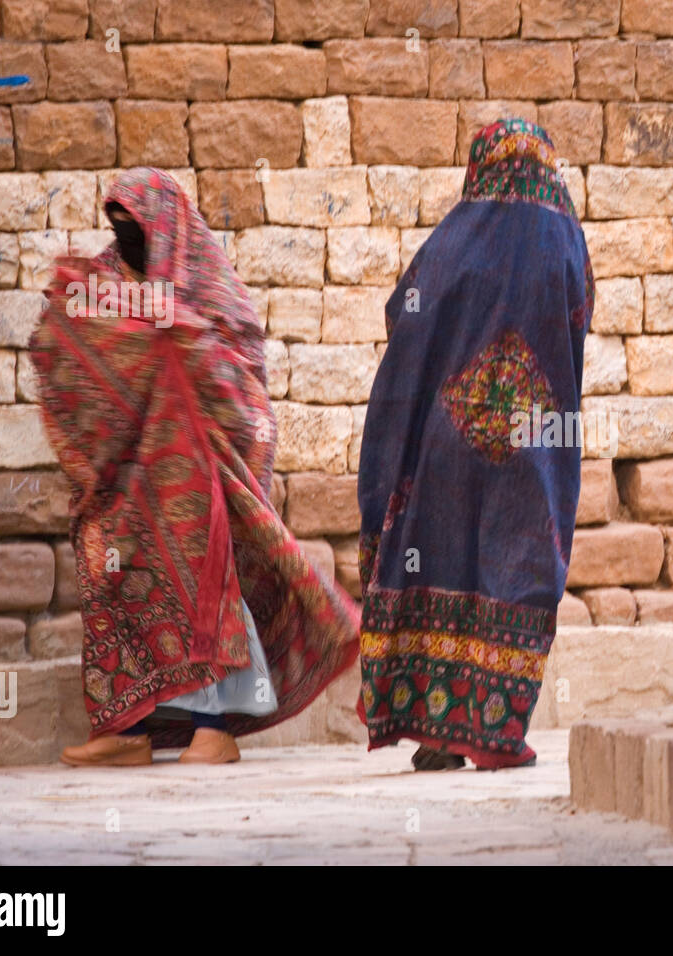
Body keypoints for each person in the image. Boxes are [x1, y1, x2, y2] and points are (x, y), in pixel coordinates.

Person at [30, 167, 360, 767]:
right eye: (116, 223)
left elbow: (239, 380)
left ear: (168, 224)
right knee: (109, 575)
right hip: (125, 478)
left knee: (195, 576)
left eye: (136, 224)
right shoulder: (104, 280)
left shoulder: (205, 286)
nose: (124, 235)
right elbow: (77, 353)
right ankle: (126, 729)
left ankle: (214, 729)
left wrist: (177, 340)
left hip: (197, 474)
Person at [355, 119, 594, 771]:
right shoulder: (564, 234)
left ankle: (439, 730)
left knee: (442, 565)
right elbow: (578, 326)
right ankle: (493, 732)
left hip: (445, 441)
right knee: (517, 571)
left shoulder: (453, 236)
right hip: (532, 443)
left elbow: (400, 313)